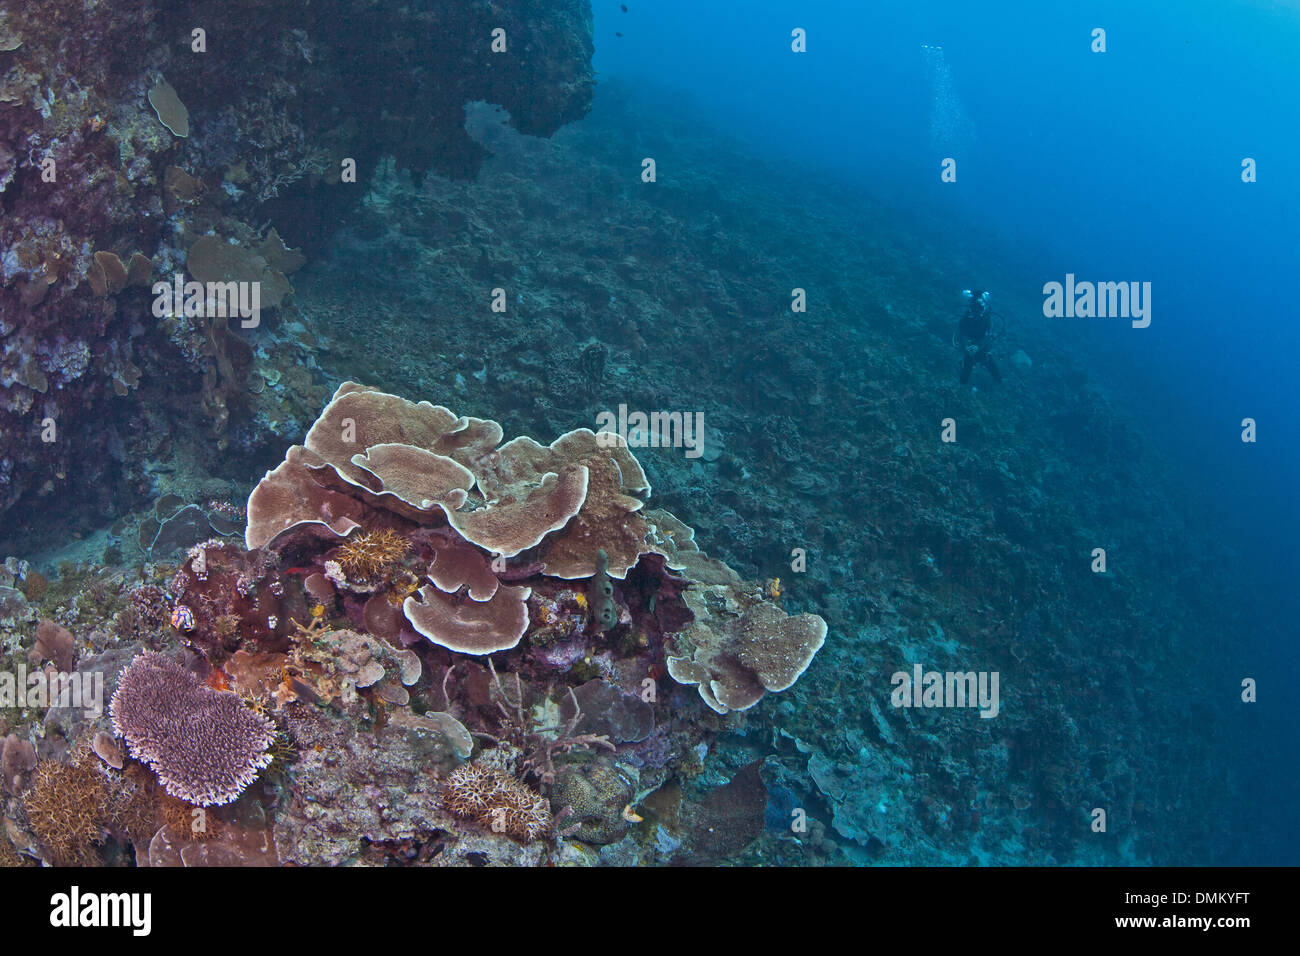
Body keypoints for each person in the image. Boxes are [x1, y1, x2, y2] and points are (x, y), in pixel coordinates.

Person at [957, 289, 1002, 384]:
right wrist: (966, 346)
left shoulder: (986, 319)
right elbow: (960, 332)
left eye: (979, 308)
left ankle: (999, 381)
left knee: (986, 359)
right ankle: (962, 385)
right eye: (974, 307)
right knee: (968, 363)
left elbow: (988, 335)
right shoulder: (966, 317)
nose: (976, 311)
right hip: (969, 345)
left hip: (981, 346)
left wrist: (978, 346)